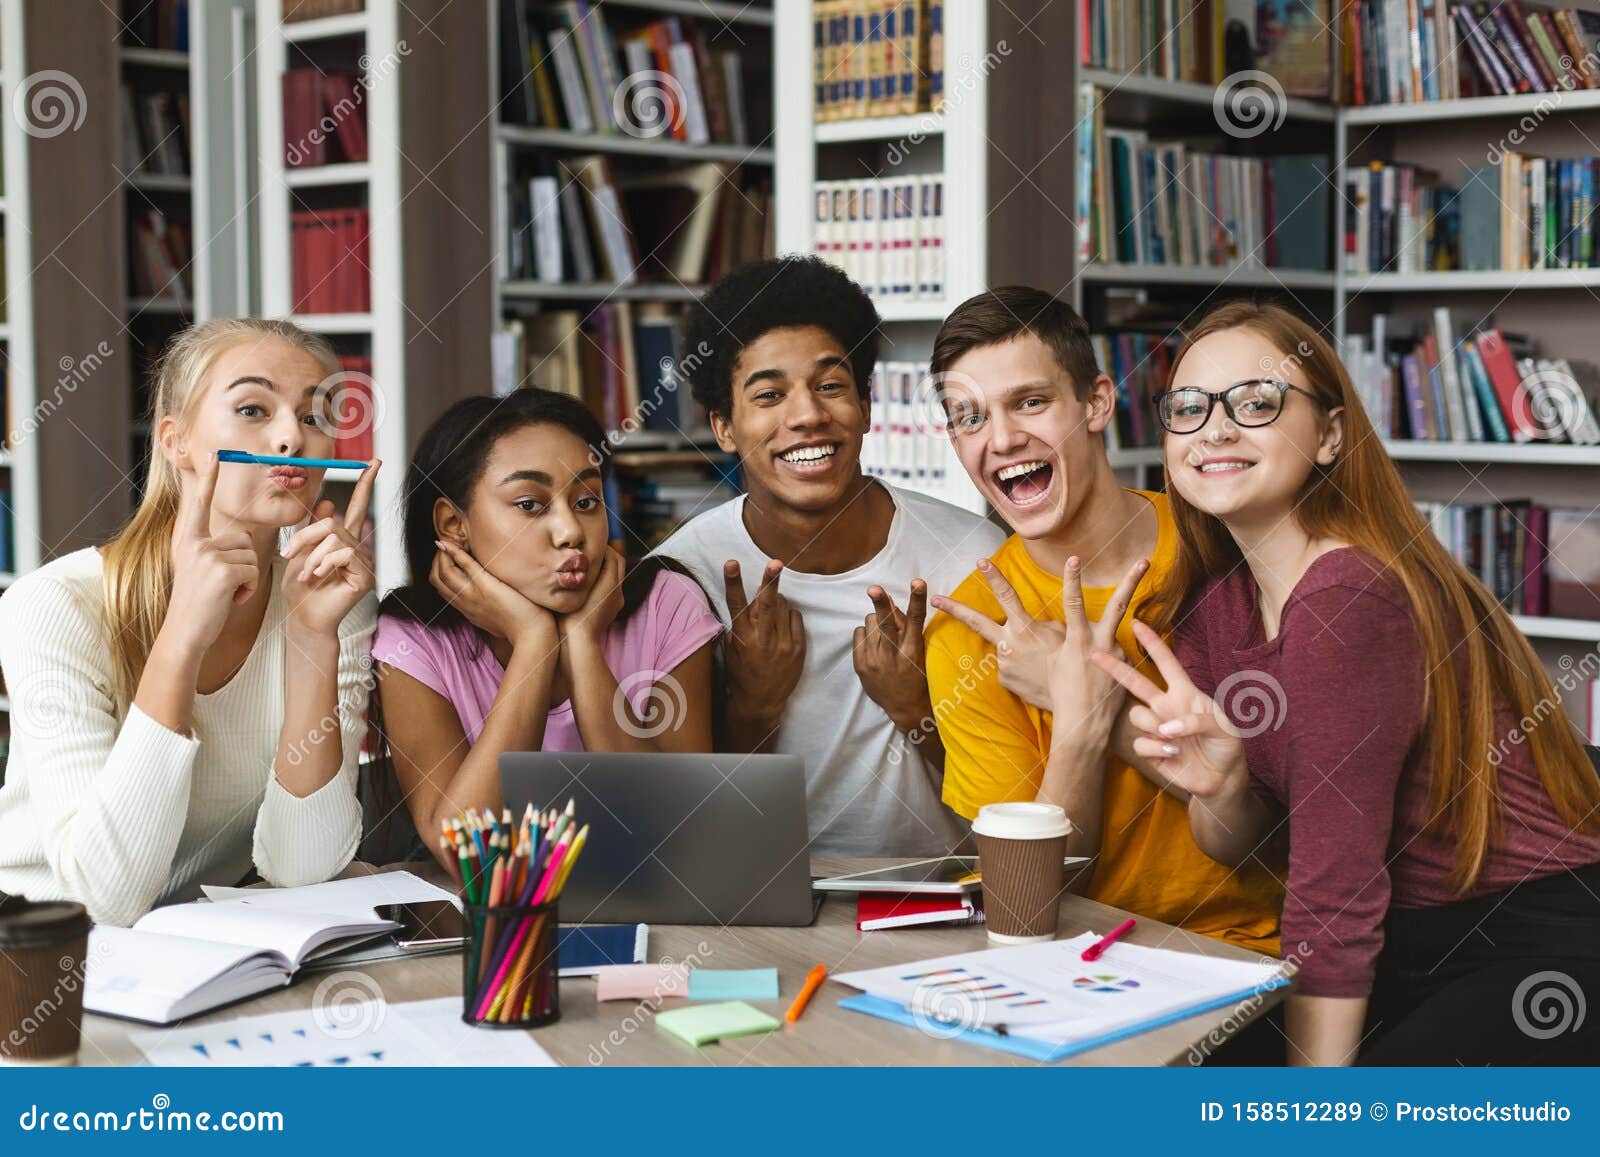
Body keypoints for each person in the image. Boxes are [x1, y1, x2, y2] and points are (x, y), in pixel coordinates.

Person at [1093, 300, 1600, 1065]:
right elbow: (1248, 847)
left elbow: (1336, 889)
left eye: (1257, 402)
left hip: (1529, 939)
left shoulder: (1347, 595)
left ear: (1330, 434)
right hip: (1398, 942)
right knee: (1168, 1077)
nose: (1216, 430)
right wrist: (1225, 786)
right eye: (1187, 408)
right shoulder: (1212, 607)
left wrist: (1310, 1110)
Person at [921, 287, 1283, 959]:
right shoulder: (969, 637)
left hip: (1247, 950)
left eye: (1030, 402)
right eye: (970, 417)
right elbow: (1030, 903)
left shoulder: (1225, 546)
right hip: (1077, 963)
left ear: (1095, 402)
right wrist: (1079, 724)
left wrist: (1099, 707)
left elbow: (1291, 818)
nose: (1001, 439)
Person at [0, 319, 379, 926]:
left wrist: (312, 639)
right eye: (254, 409)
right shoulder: (53, 605)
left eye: (313, 418)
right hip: (39, 954)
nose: (290, 438)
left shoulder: (332, 601)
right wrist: (181, 636)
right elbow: (103, 899)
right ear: (176, 441)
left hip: (205, 941)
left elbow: (303, 869)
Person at [652, 256, 1006, 857]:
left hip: (947, 905)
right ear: (724, 427)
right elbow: (683, 834)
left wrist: (918, 708)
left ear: (866, 407)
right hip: (757, 913)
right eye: (768, 394)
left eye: (830, 385)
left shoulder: (974, 556)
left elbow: (1019, 805)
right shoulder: (679, 581)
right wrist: (754, 706)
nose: (808, 415)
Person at [372, 389, 722, 868]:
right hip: (495, 927)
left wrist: (581, 645)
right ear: (454, 524)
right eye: (531, 505)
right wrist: (534, 641)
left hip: (661, 919)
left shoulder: (666, 604)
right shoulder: (413, 638)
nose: (571, 532)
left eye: (586, 500)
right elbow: (463, 850)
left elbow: (681, 835)